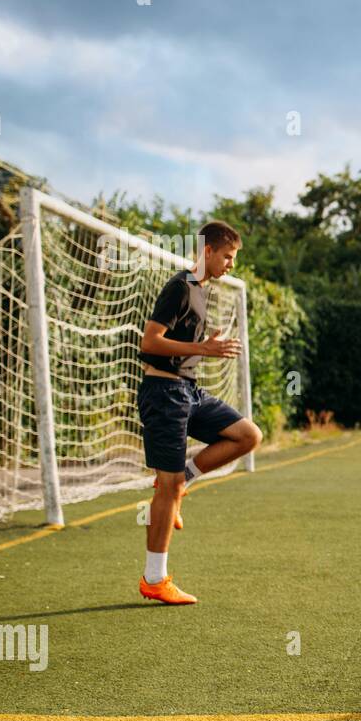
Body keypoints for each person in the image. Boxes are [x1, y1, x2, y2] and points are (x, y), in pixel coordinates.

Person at [136, 220, 262, 605]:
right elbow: (150, 341)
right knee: (167, 487)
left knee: (248, 435)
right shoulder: (180, 286)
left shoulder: (203, 291)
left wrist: (205, 348)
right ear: (207, 251)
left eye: (233, 258)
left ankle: (183, 481)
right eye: (227, 256)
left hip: (189, 391)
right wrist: (205, 350)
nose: (231, 264)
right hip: (163, 393)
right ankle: (154, 579)